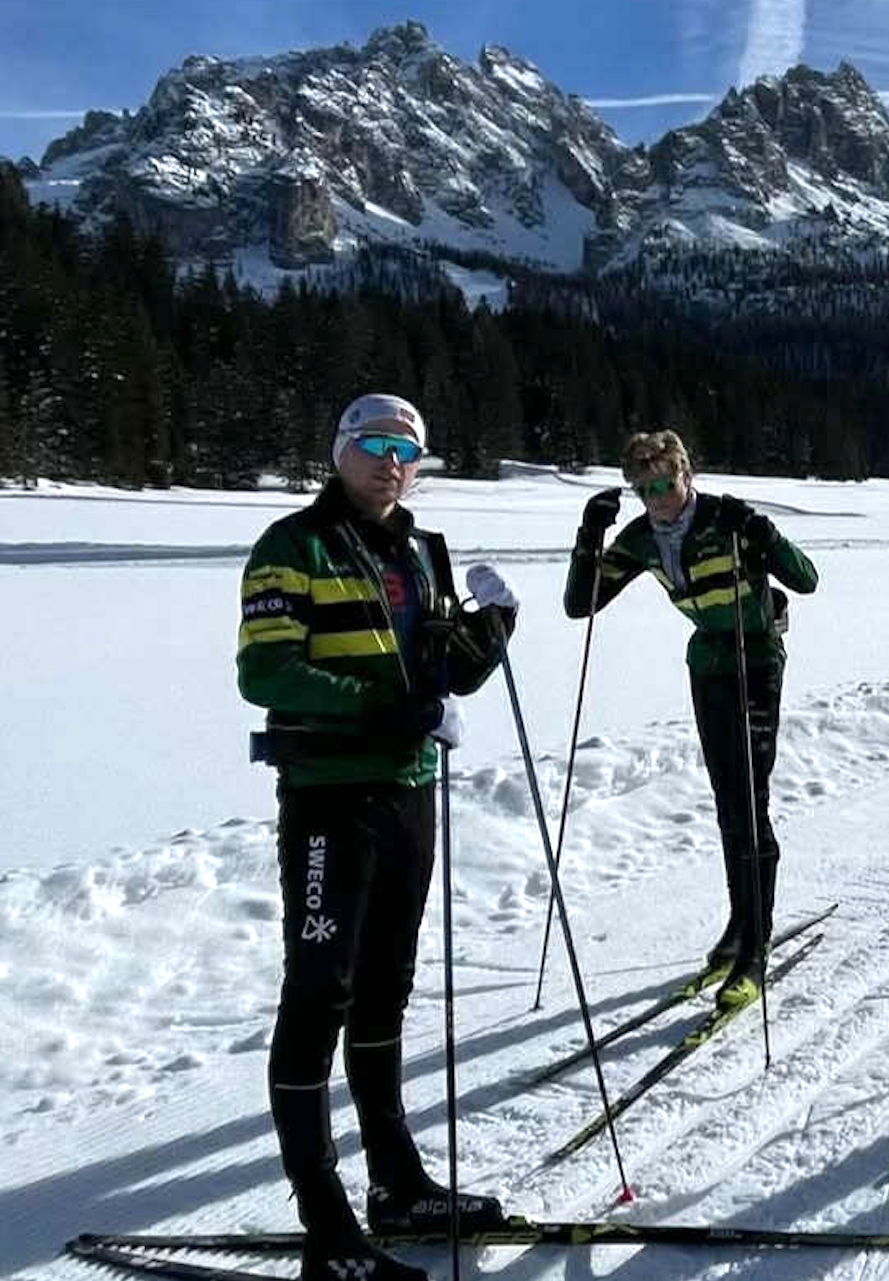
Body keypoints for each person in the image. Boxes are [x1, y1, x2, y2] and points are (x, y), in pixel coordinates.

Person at [237, 393, 518, 1281]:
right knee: (319, 995)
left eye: (406, 448)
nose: (390, 461)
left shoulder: (422, 551)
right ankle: (328, 1228)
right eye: (371, 444)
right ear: (339, 450)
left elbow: (444, 678)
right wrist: (388, 708)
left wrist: (490, 634)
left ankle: (396, 1183)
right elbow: (265, 668)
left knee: (386, 991)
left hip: (408, 794)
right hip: (330, 796)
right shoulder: (296, 545)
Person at [563, 430, 819, 1013]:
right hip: (707, 663)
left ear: (688, 474)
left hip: (755, 660)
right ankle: (739, 923)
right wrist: (588, 535)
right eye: (645, 488)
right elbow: (582, 603)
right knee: (728, 799)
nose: (659, 499)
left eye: (667, 484)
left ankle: (756, 945)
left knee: (750, 800)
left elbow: (805, 579)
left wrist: (763, 531)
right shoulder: (642, 539)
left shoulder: (725, 522)